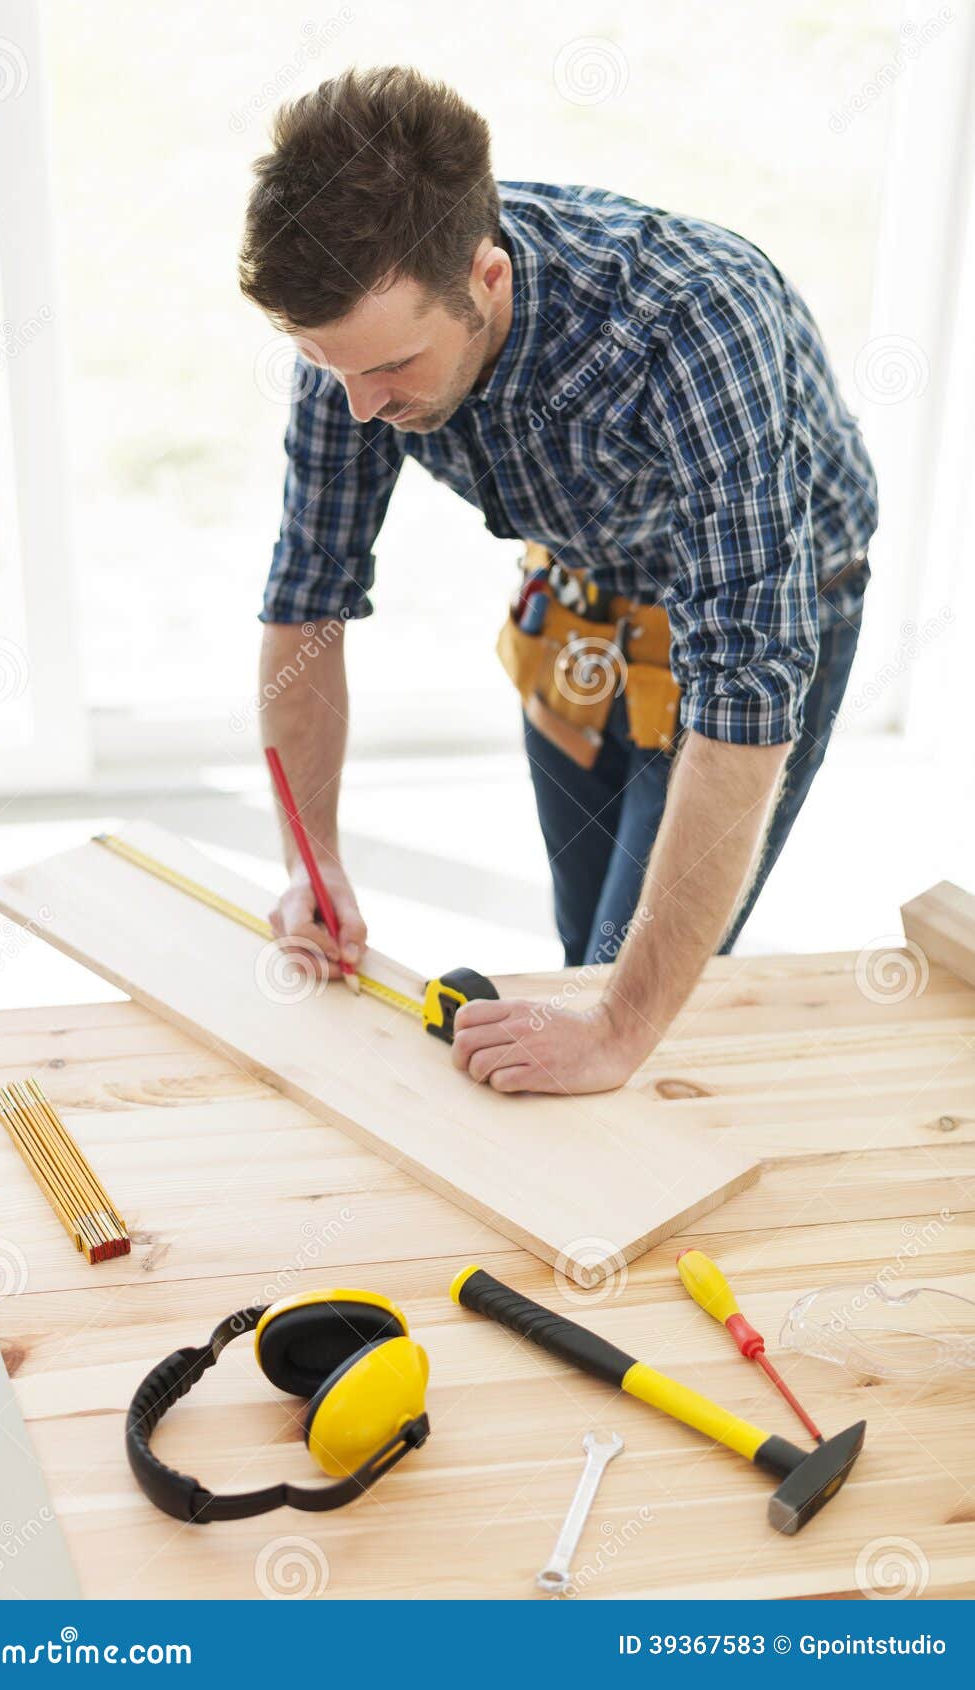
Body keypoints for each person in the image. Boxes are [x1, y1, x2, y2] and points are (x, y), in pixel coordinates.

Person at [239, 66, 878, 1096]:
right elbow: (306, 600)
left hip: (750, 611)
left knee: (622, 991)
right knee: (580, 947)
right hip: (579, 580)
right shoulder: (358, 346)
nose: (356, 407)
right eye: (324, 365)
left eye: (390, 368)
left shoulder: (693, 317)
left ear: (485, 280)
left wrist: (619, 1030)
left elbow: (746, 686)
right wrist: (309, 866)